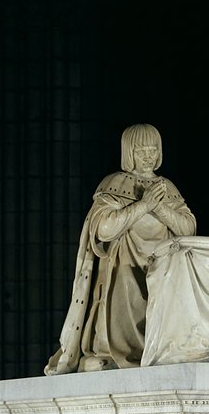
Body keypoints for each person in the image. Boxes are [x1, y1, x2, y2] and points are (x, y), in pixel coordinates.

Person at [45, 123, 196, 374]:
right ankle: (108, 352)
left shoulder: (166, 188)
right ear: (129, 153)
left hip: (160, 266)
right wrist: (143, 205)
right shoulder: (114, 183)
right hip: (124, 261)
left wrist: (158, 207)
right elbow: (104, 228)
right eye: (142, 151)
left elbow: (188, 228)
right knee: (120, 298)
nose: (149, 156)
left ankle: (154, 351)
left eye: (153, 150)